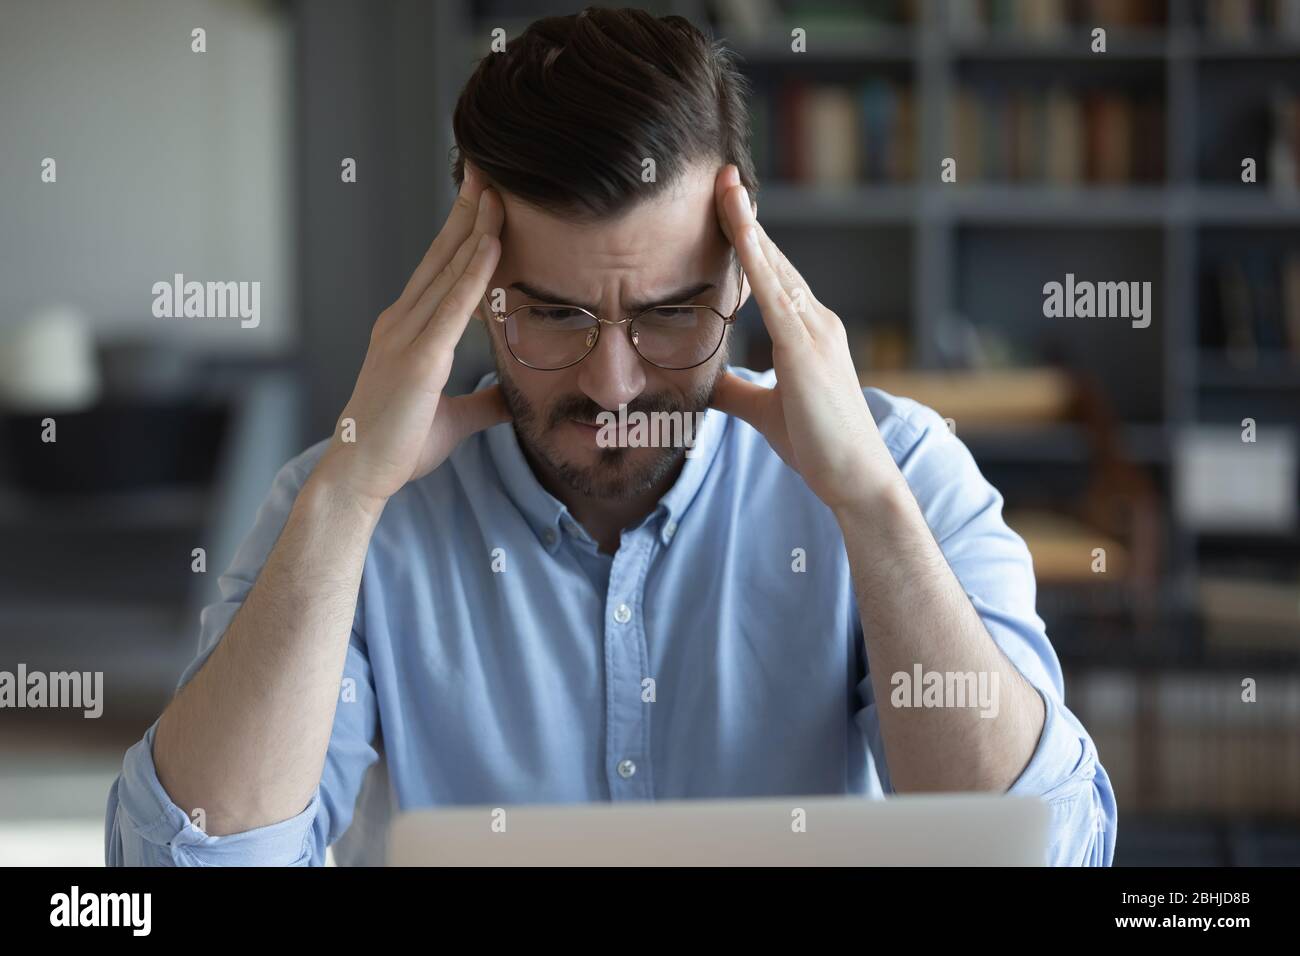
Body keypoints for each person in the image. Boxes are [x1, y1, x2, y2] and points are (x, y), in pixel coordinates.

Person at [105, 7, 1115, 866]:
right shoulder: (346, 505)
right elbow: (177, 864)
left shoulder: (899, 475)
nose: (613, 382)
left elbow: (1037, 848)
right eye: (554, 315)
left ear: (743, 273)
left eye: (672, 313)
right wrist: (348, 498)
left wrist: (867, 508)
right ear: (474, 292)